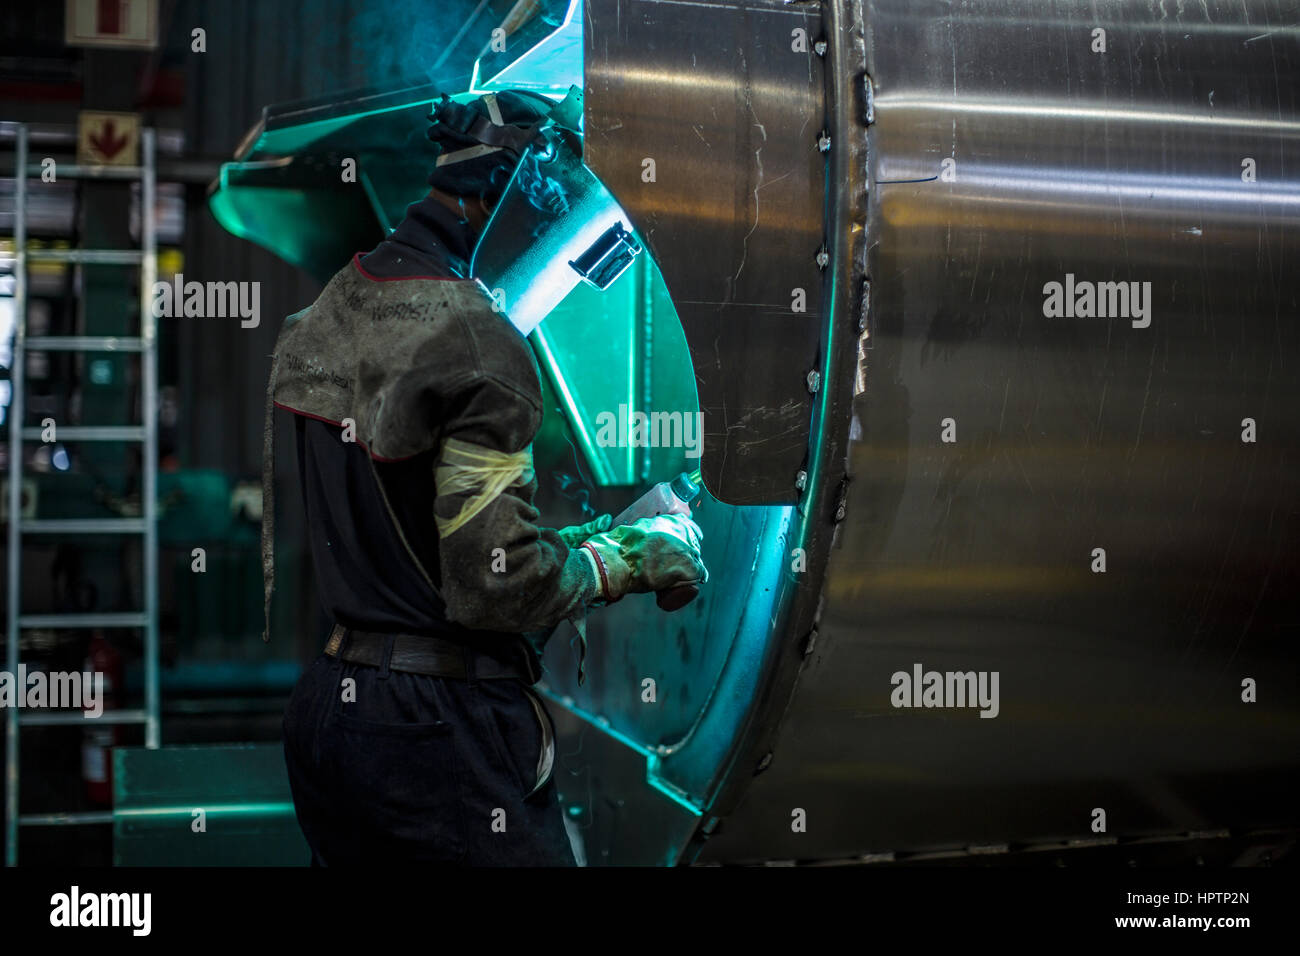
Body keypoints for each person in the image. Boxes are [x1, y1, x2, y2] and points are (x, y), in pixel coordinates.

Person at [262, 89, 708, 865]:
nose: (560, 253)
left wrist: (583, 536)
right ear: (509, 199)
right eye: (556, 227)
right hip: (436, 736)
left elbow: (425, 552)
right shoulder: (476, 340)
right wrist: (626, 558)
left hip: (336, 707)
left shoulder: (329, 312)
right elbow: (492, 589)